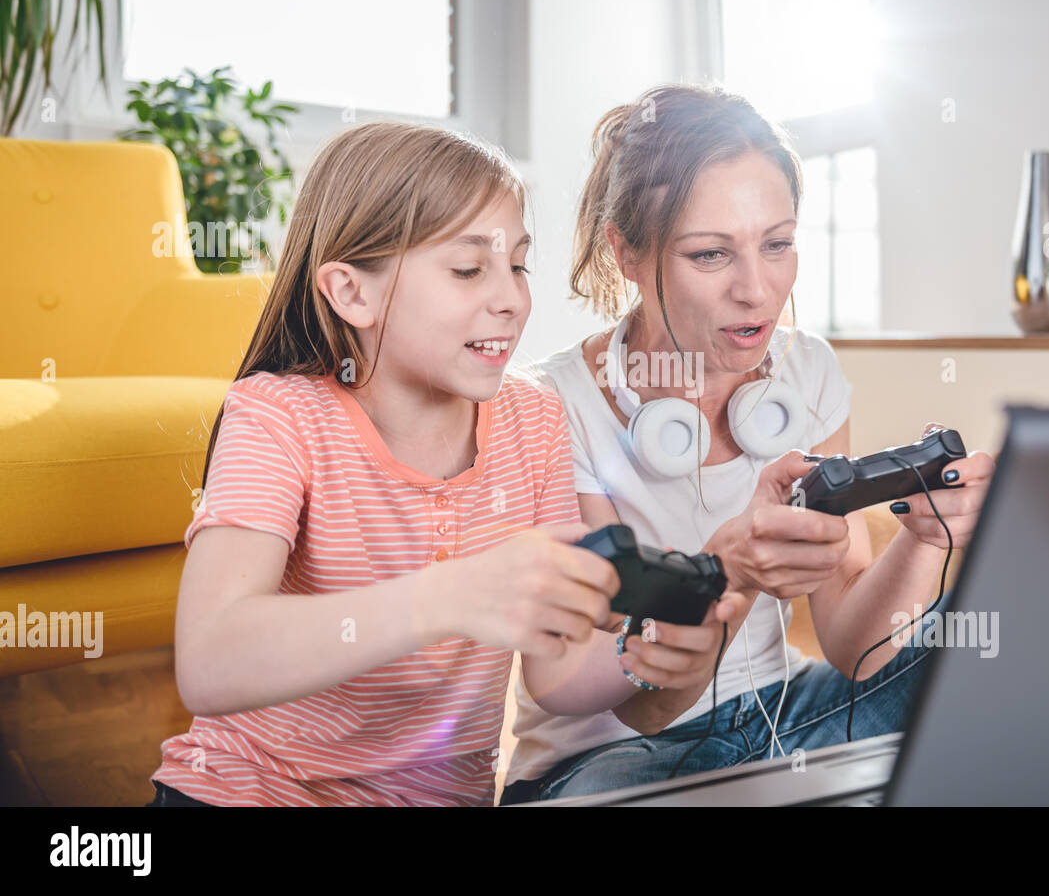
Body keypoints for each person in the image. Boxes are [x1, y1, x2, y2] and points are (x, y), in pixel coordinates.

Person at [501, 85, 996, 804]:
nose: (757, 291)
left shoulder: (808, 371)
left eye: (778, 244)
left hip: (786, 716)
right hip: (613, 759)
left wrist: (922, 541)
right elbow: (631, 696)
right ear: (627, 253)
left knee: (988, 633)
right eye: (710, 255)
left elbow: (855, 646)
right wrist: (723, 573)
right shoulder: (556, 404)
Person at [145, 121, 628, 806]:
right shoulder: (278, 415)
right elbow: (209, 657)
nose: (511, 297)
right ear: (352, 293)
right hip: (250, 789)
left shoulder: (537, 419)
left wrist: (653, 649)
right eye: (468, 268)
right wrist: (453, 593)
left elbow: (558, 669)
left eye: (517, 264)